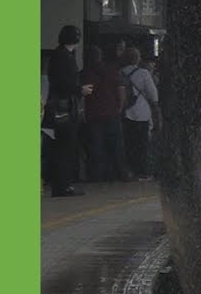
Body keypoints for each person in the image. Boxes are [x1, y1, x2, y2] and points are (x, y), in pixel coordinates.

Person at [45, 25, 92, 197]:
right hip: (63, 108)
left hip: (59, 105)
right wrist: (80, 90)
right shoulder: (64, 57)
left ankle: (61, 184)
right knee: (65, 146)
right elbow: (63, 83)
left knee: (61, 147)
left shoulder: (59, 55)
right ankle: (62, 185)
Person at [80, 45, 129, 181]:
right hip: (111, 112)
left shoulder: (84, 73)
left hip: (93, 114)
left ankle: (97, 175)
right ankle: (118, 173)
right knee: (116, 145)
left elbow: (81, 96)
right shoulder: (111, 70)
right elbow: (121, 89)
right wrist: (119, 107)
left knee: (96, 146)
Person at [121, 47, 159, 181]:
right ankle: (141, 171)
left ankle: (129, 170)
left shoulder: (120, 72)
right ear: (138, 59)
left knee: (128, 144)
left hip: (124, 113)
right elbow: (154, 95)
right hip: (141, 113)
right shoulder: (143, 73)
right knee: (141, 144)